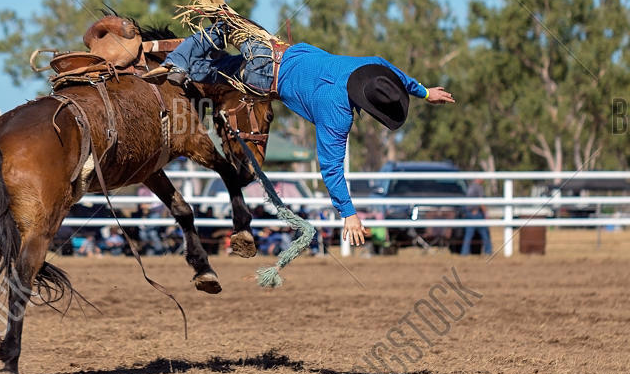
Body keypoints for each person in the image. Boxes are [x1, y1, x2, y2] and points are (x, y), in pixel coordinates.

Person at [166, 34, 454, 247]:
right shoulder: (336, 112)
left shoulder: (369, 65)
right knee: (202, 73)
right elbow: (331, 168)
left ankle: (186, 49)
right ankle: (180, 66)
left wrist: (423, 92)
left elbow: (391, 72)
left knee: (227, 26)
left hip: (272, 48)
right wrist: (349, 213)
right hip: (262, 78)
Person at [460, 179, 491, 256]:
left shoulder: (470, 187)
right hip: (476, 213)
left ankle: (464, 252)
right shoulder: (478, 187)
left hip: (469, 212)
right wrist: (486, 213)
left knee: (468, 234)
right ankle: (488, 251)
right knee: (484, 233)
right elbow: (481, 201)